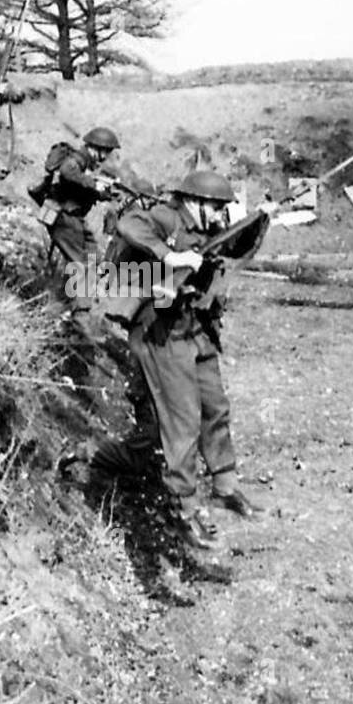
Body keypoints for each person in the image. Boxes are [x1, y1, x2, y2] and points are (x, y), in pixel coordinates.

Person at [104, 169, 263, 550]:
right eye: (214, 206)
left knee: (215, 406)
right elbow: (129, 223)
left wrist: (263, 216)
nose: (219, 215)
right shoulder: (166, 215)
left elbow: (236, 247)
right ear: (194, 200)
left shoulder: (209, 227)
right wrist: (171, 256)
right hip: (159, 331)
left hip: (194, 327)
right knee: (182, 420)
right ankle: (185, 504)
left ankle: (225, 484)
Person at [37, 127, 121, 330]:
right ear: (97, 149)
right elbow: (67, 172)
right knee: (80, 264)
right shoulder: (78, 158)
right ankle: (79, 314)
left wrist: (105, 193)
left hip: (71, 216)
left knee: (92, 255)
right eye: (106, 151)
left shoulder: (87, 163)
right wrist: (94, 184)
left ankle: (69, 298)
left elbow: (80, 188)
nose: (107, 156)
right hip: (62, 216)